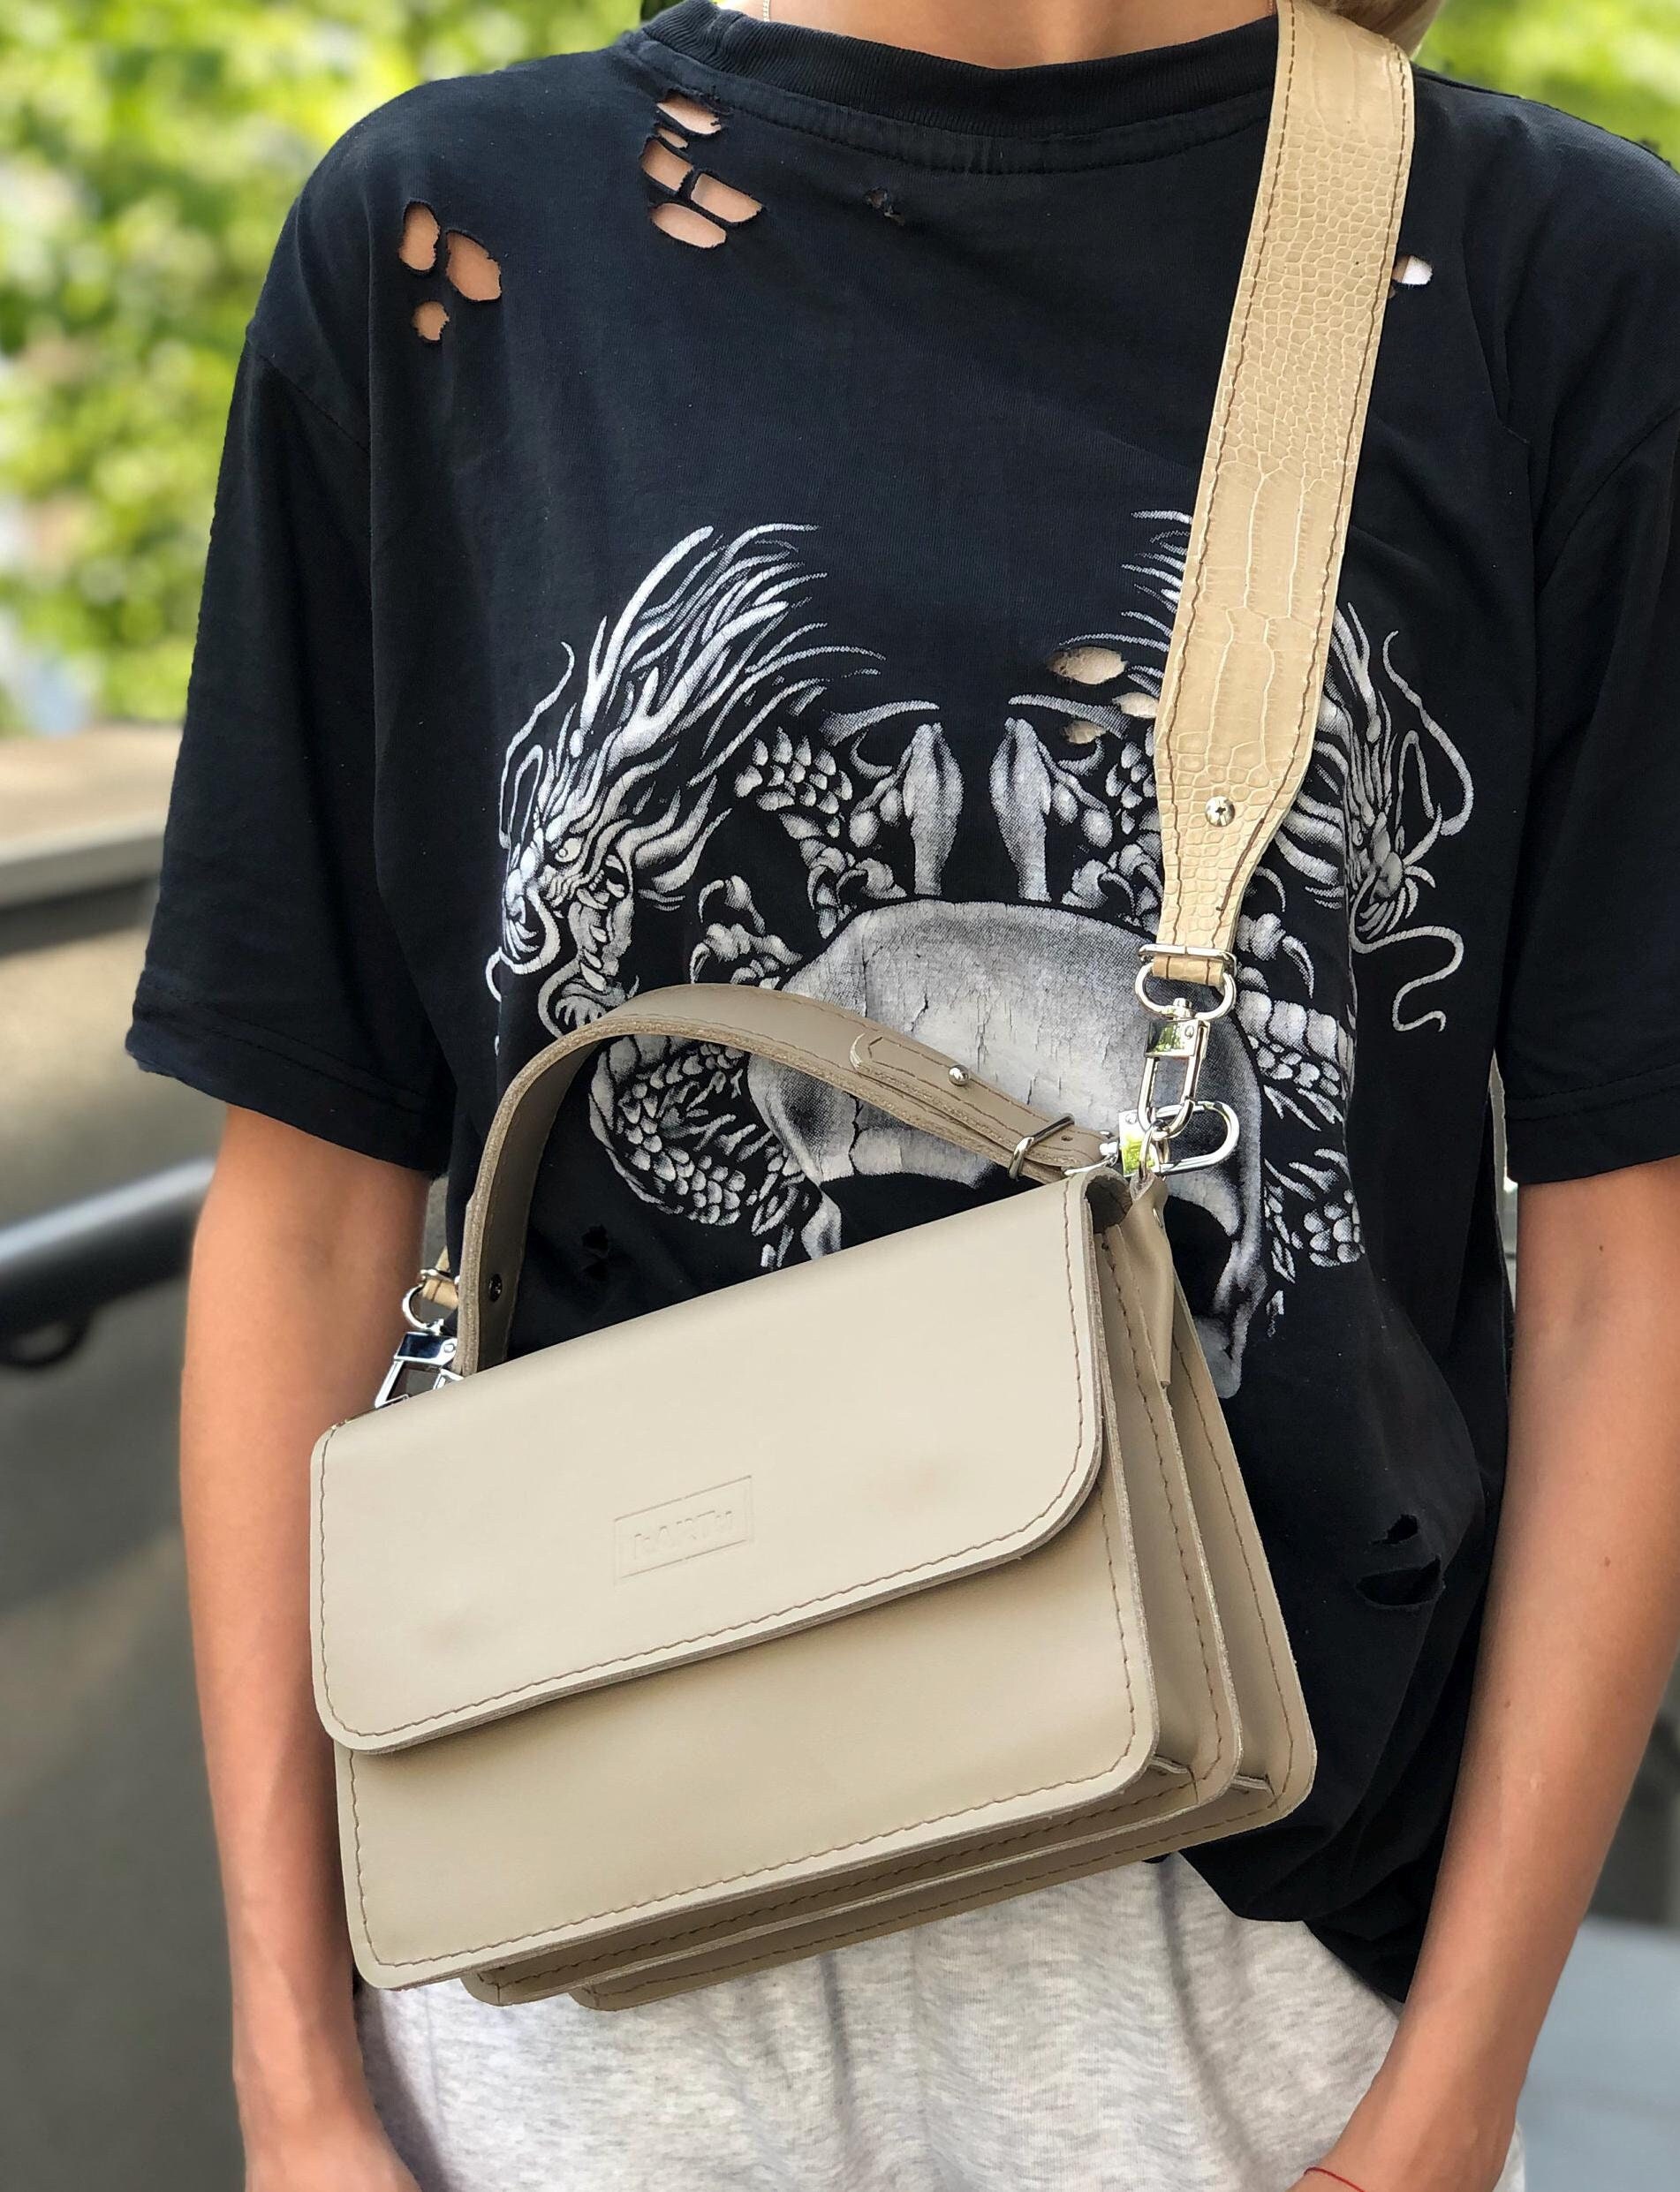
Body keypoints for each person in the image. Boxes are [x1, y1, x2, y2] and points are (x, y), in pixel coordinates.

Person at [126, 0, 1680, 2186]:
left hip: (1258, 2032)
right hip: (560, 2007)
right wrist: (294, 2079)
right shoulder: (451, 249)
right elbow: (308, 1194)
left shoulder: (1546, 269)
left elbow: (1634, 1259)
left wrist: (1443, 2108)